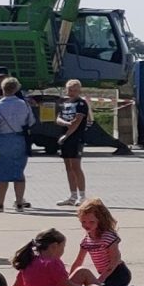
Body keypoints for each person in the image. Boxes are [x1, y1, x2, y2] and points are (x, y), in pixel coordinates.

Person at [10, 229, 144, 286]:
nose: (63, 251)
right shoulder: (53, 263)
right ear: (54, 246)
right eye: (63, 247)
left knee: (82, 271)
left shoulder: (29, 261)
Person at [69, 198, 141, 286]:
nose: (87, 225)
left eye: (91, 222)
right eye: (83, 222)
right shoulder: (86, 241)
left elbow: (115, 260)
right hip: (106, 275)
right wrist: (70, 280)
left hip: (119, 273)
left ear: (100, 220)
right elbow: (78, 261)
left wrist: (101, 279)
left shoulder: (108, 237)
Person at [0, 77, 32, 212]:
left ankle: (0, 204)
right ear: (17, 88)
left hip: (2, 140)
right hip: (19, 140)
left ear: (2, 88)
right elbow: (31, 121)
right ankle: (19, 203)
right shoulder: (24, 104)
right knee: (19, 172)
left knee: (1, 173)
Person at [54, 79, 92, 207]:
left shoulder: (81, 103)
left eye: (75, 90)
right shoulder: (64, 103)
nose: (72, 92)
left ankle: (82, 196)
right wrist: (64, 124)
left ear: (79, 90)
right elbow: (59, 118)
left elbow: (77, 121)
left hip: (76, 138)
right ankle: (72, 195)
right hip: (64, 138)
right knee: (68, 167)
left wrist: (66, 135)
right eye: (70, 90)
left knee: (76, 166)